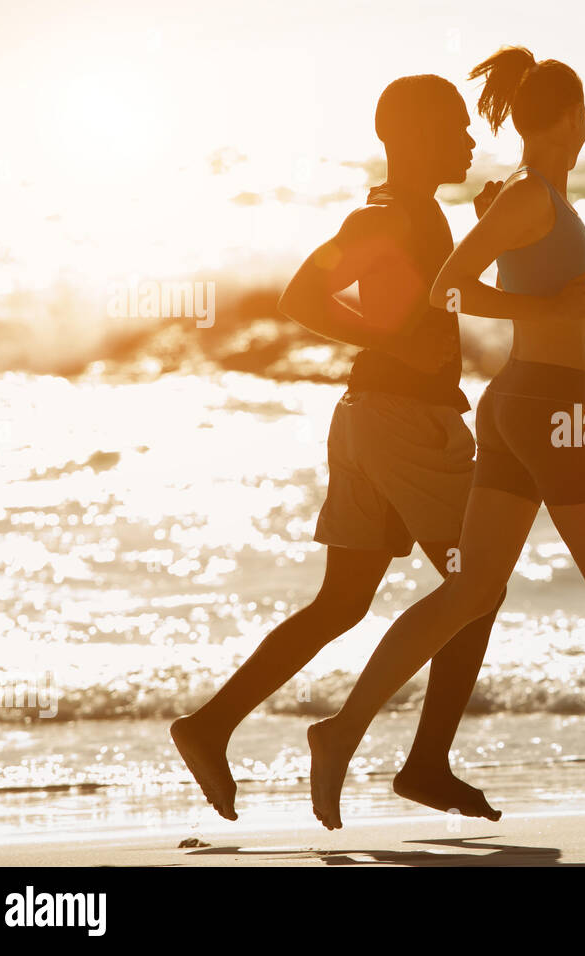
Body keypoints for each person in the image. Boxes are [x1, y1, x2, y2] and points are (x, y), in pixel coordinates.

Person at [307, 46, 585, 828]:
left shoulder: (540, 199)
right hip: (546, 409)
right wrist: (550, 312)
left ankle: (339, 733)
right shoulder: (529, 197)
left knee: (471, 593)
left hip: (524, 406)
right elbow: (450, 287)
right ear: (571, 118)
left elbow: (539, 292)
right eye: (583, 113)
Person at [171, 74, 508, 823]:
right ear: (413, 137)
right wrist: (397, 342)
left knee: (343, 601)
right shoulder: (393, 216)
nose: (469, 140)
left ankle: (209, 726)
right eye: (455, 128)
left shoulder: (405, 212)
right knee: (477, 588)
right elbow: (302, 298)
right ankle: (423, 763)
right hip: (403, 424)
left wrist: (479, 242)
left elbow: (415, 300)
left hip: (368, 417)